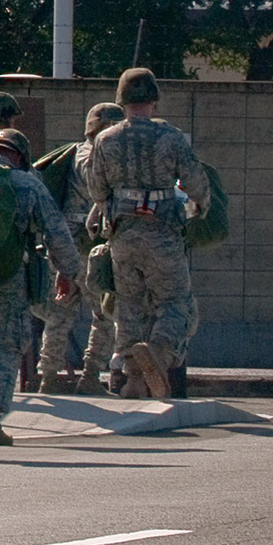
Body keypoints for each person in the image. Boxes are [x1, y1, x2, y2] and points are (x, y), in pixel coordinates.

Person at [76, 68, 210, 402]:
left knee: (129, 306)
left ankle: (133, 379)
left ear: (121, 102)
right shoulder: (171, 138)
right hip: (163, 231)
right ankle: (159, 354)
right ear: (154, 101)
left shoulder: (106, 139)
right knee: (177, 304)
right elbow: (195, 182)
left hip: (122, 234)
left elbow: (96, 188)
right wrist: (200, 207)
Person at [0, 113, 73, 446]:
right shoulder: (28, 184)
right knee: (5, 344)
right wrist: (68, 272)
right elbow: (56, 232)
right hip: (10, 274)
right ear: (20, 156)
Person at [40, 102, 122, 393]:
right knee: (104, 313)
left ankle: (48, 376)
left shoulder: (77, 151)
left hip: (67, 242)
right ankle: (89, 376)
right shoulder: (94, 155)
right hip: (90, 245)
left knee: (60, 313)